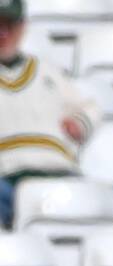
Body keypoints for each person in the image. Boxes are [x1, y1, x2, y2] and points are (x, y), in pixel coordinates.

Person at [0, 0, 100, 229]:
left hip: (58, 168)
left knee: (110, 198)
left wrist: (79, 123)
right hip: (9, 174)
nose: (2, 32)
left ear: (22, 27)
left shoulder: (47, 71)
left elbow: (89, 108)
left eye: (9, 25)